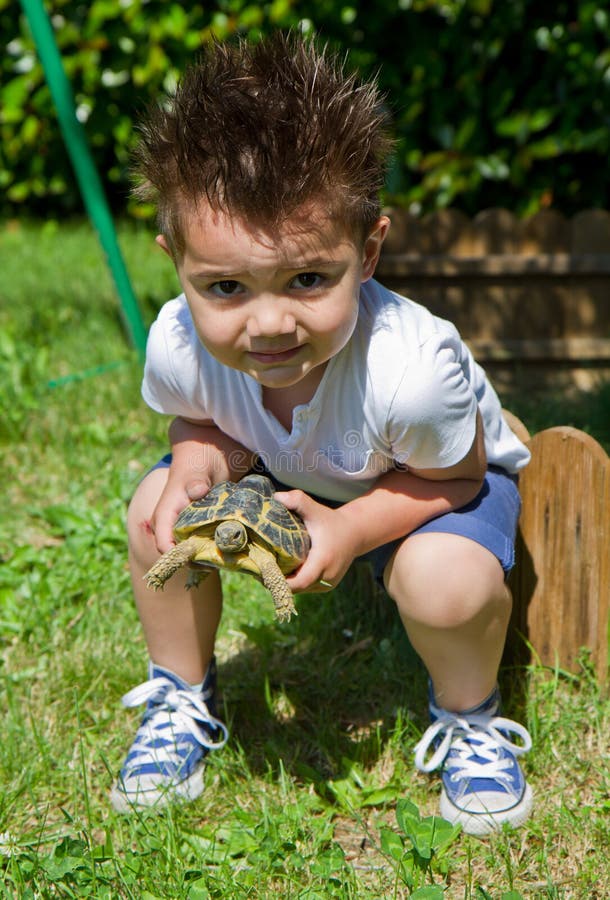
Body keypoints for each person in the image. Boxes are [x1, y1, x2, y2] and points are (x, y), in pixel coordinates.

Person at [110, 32, 533, 837]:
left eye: (308, 278)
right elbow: (195, 416)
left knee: (444, 582)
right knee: (150, 511)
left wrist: (353, 526)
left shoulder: (407, 372)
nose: (269, 323)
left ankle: (472, 715)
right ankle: (179, 694)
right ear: (176, 264)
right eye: (225, 287)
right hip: (289, 467)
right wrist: (198, 453)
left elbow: (462, 475)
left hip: (421, 481)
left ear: (368, 250)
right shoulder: (179, 341)